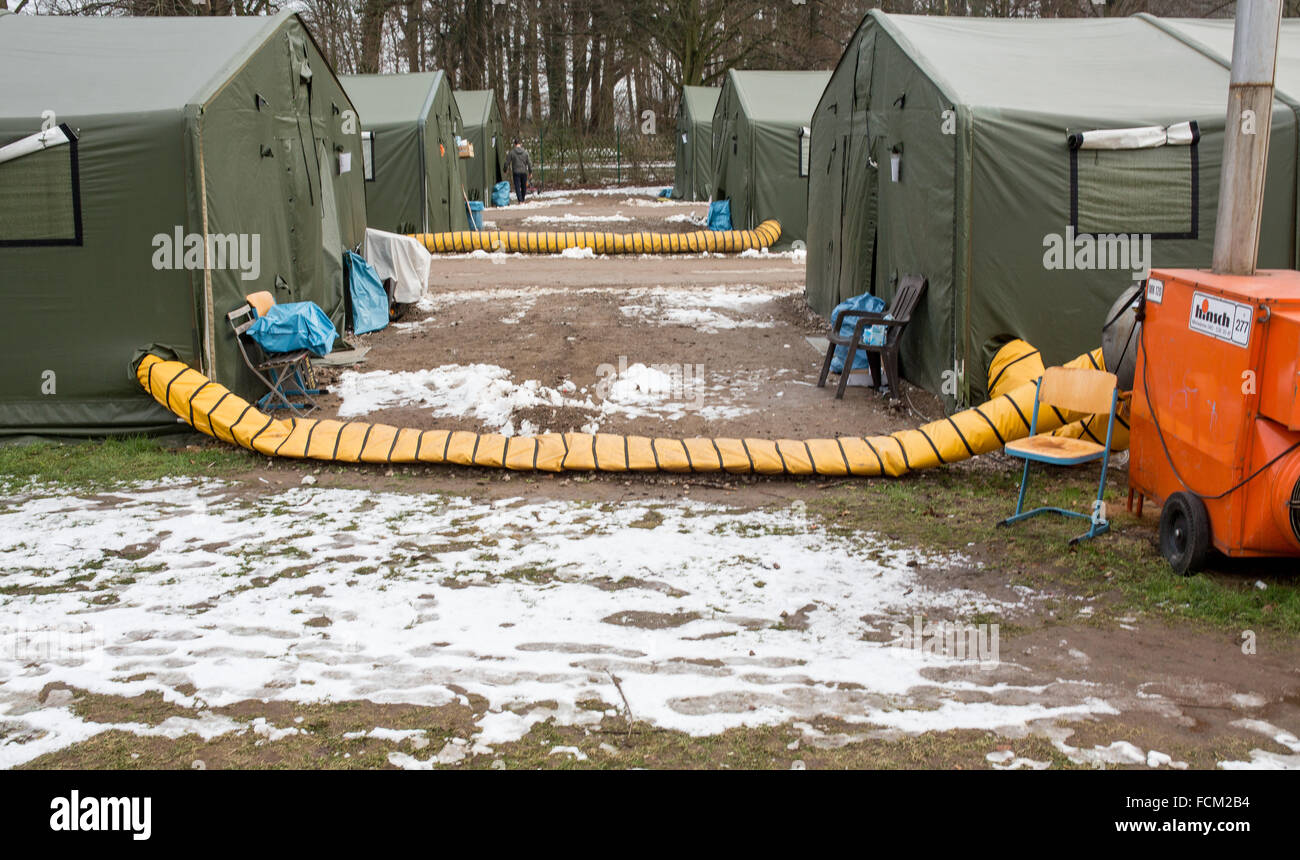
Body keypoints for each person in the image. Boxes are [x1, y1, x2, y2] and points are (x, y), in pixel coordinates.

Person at [505, 138, 532, 203]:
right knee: (523, 186)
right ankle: (522, 199)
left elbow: (507, 162)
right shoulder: (525, 152)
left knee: (517, 186)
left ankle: (520, 200)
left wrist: (505, 170)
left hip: (516, 172)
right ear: (520, 144)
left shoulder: (512, 152)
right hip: (524, 172)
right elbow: (529, 163)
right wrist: (530, 172)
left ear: (515, 144)